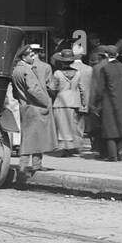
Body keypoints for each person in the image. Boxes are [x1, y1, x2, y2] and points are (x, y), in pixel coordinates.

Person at [11, 43, 56, 182]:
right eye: (31, 55)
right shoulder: (27, 70)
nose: (33, 57)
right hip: (35, 107)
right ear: (24, 56)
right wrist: (46, 102)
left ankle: (35, 165)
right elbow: (34, 89)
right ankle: (24, 168)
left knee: (33, 137)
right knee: (32, 138)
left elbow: (14, 92)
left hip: (25, 106)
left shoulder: (16, 70)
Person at [90, 44, 122, 162]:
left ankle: (112, 155)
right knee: (121, 127)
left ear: (105, 55)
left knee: (110, 129)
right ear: (118, 54)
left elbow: (100, 89)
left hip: (108, 103)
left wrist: (95, 103)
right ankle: (120, 152)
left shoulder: (105, 69)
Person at [49, 49, 86, 156]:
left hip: (60, 102)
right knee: (73, 125)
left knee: (61, 126)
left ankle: (64, 147)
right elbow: (82, 89)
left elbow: (52, 88)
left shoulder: (57, 73)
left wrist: (55, 95)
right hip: (74, 102)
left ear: (61, 61)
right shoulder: (78, 73)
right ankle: (73, 147)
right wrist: (83, 102)